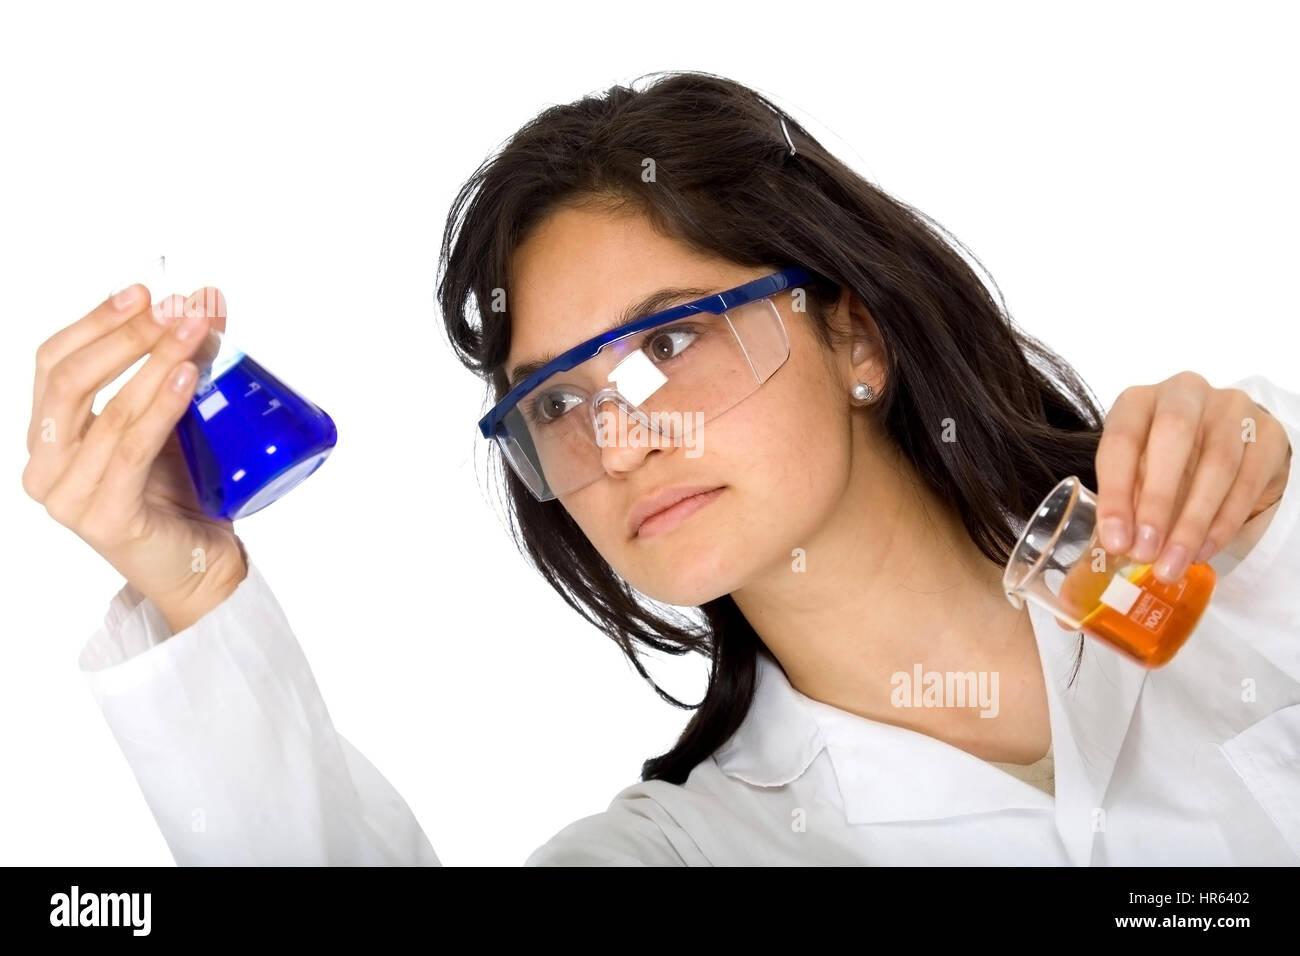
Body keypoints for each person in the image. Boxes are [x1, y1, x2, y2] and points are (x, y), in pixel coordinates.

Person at [23, 71, 1298, 865]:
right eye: (557, 400)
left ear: (852, 330)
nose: (618, 439)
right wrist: (192, 583)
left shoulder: (1235, 536)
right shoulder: (685, 853)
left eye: (672, 338)